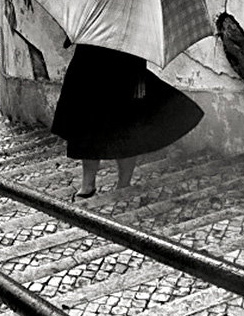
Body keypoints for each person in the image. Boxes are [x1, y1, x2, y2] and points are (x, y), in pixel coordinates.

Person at [51, 41, 205, 200]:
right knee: (88, 126)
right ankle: (88, 185)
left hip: (125, 65)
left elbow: (141, 39)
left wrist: (138, 73)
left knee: (126, 124)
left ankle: (123, 184)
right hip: (90, 62)